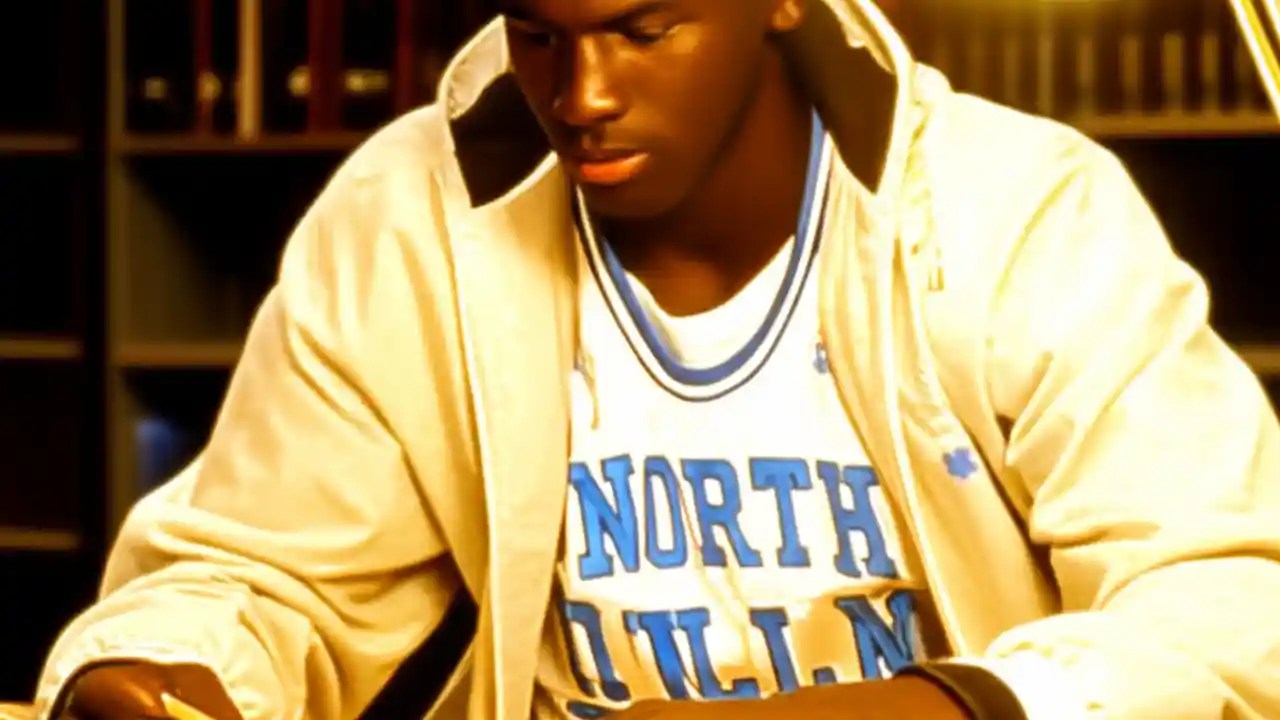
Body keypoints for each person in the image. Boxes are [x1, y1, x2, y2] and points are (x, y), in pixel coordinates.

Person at [35, 0, 1280, 718]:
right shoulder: (408, 216)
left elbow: (1228, 608)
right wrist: (162, 671)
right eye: (538, 32)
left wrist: (923, 710)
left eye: (642, 28)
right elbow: (263, 574)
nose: (581, 93)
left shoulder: (1019, 207)